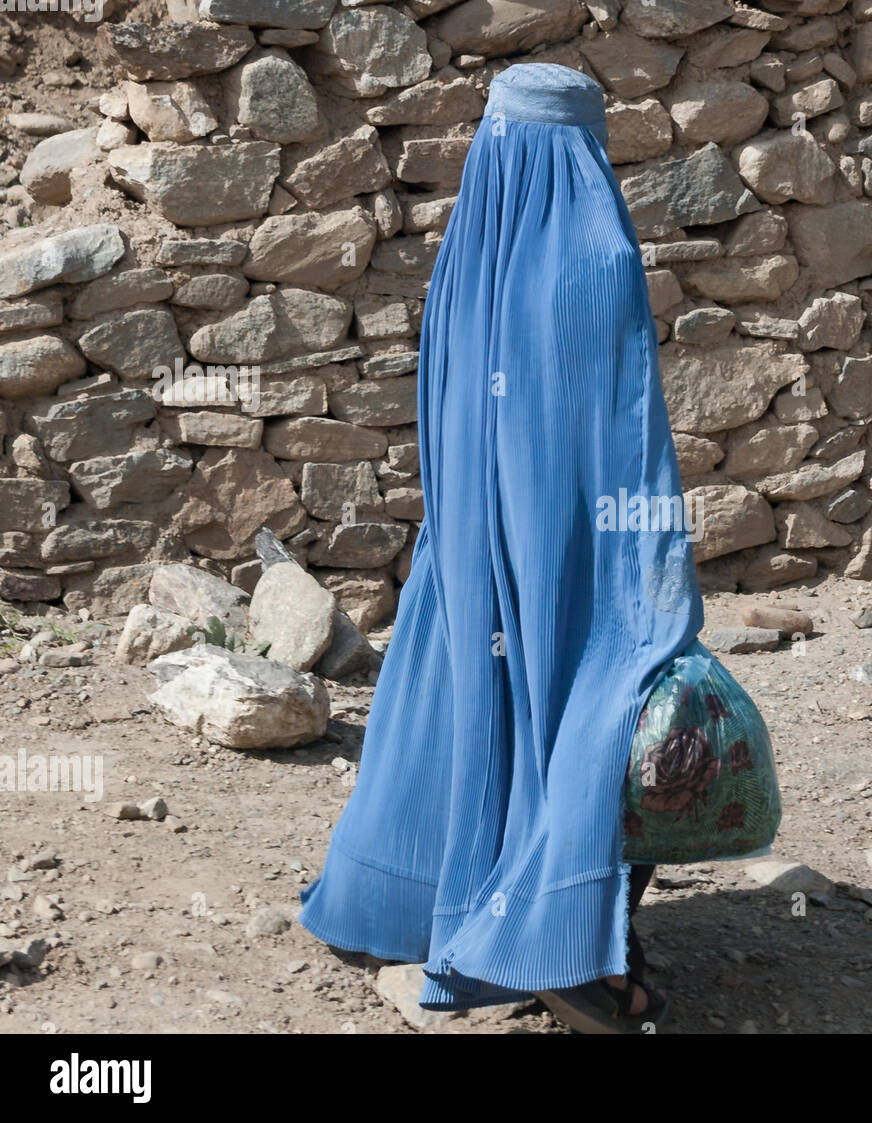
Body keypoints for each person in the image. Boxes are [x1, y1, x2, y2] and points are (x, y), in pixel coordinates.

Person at [298, 62, 704, 1034]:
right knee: (616, 715)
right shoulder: (596, 259)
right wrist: (658, 594)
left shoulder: (467, 262)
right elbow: (626, 448)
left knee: (456, 720)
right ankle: (566, 946)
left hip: (472, 563)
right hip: (580, 574)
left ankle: (394, 906)